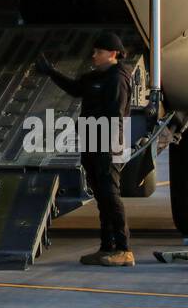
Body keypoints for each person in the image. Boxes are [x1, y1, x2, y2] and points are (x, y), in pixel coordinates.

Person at [35, 32, 134, 266]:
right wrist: (51, 72)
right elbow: (76, 88)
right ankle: (106, 247)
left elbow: (116, 116)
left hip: (108, 145)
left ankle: (124, 249)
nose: (94, 56)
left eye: (98, 52)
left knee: (111, 196)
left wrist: (109, 150)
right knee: (101, 197)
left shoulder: (117, 78)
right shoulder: (95, 77)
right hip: (91, 141)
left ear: (112, 54)